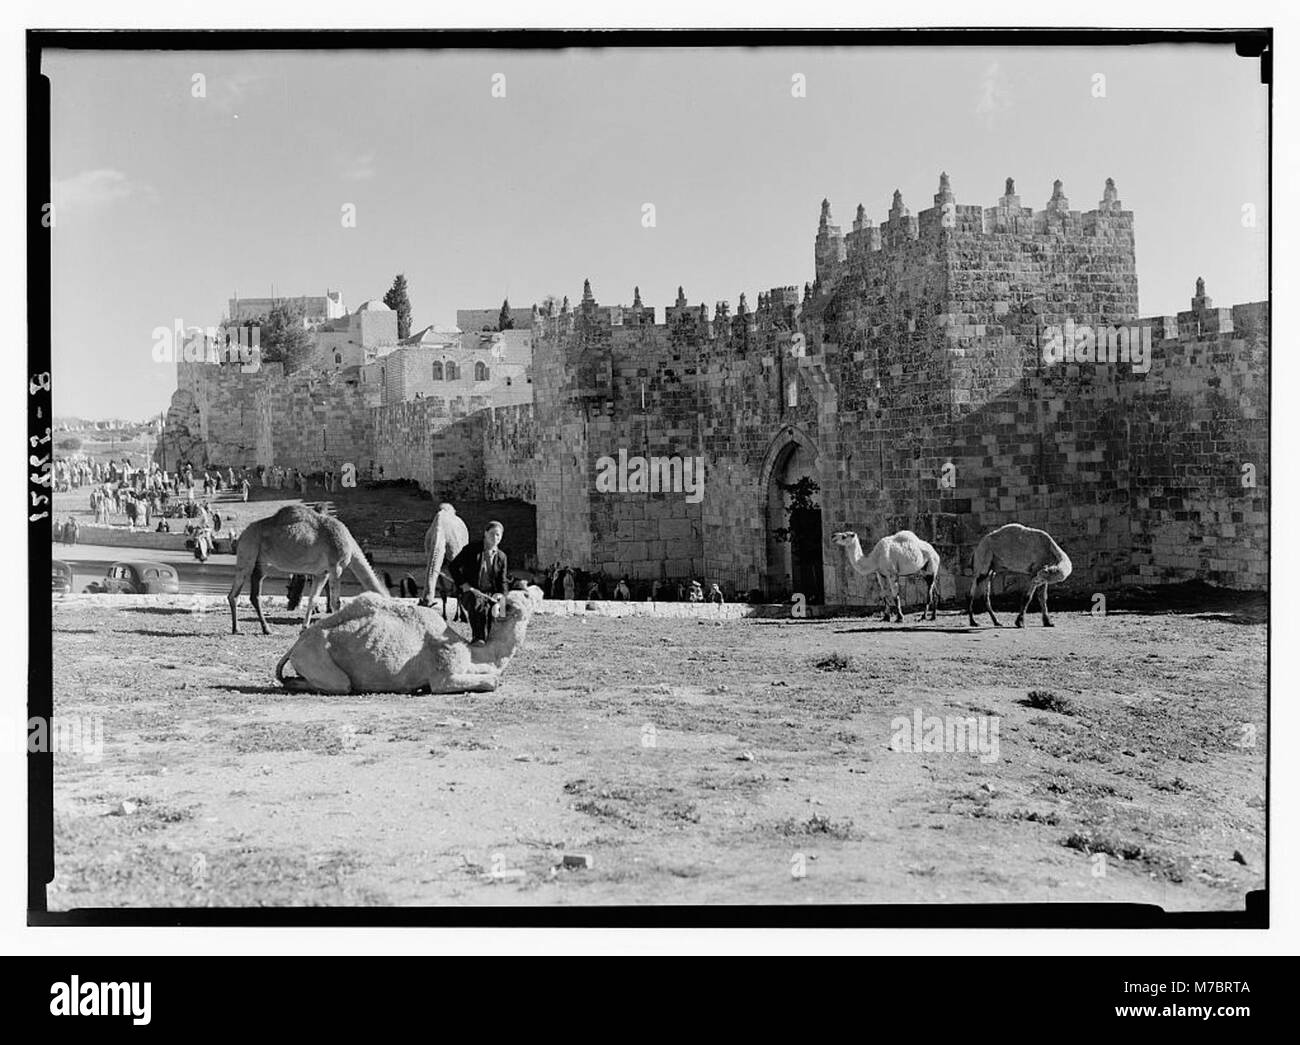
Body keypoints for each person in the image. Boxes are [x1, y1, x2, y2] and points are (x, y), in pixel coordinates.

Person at [450, 521, 510, 646]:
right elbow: (453, 566)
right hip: (471, 591)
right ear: (485, 533)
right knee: (478, 604)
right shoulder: (471, 550)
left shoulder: (501, 557)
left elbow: (502, 581)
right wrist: (463, 584)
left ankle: (494, 640)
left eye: (498, 535)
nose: (495, 538)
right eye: (492, 534)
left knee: (500, 609)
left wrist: (502, 597)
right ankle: (478, 638)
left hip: (491, 593)